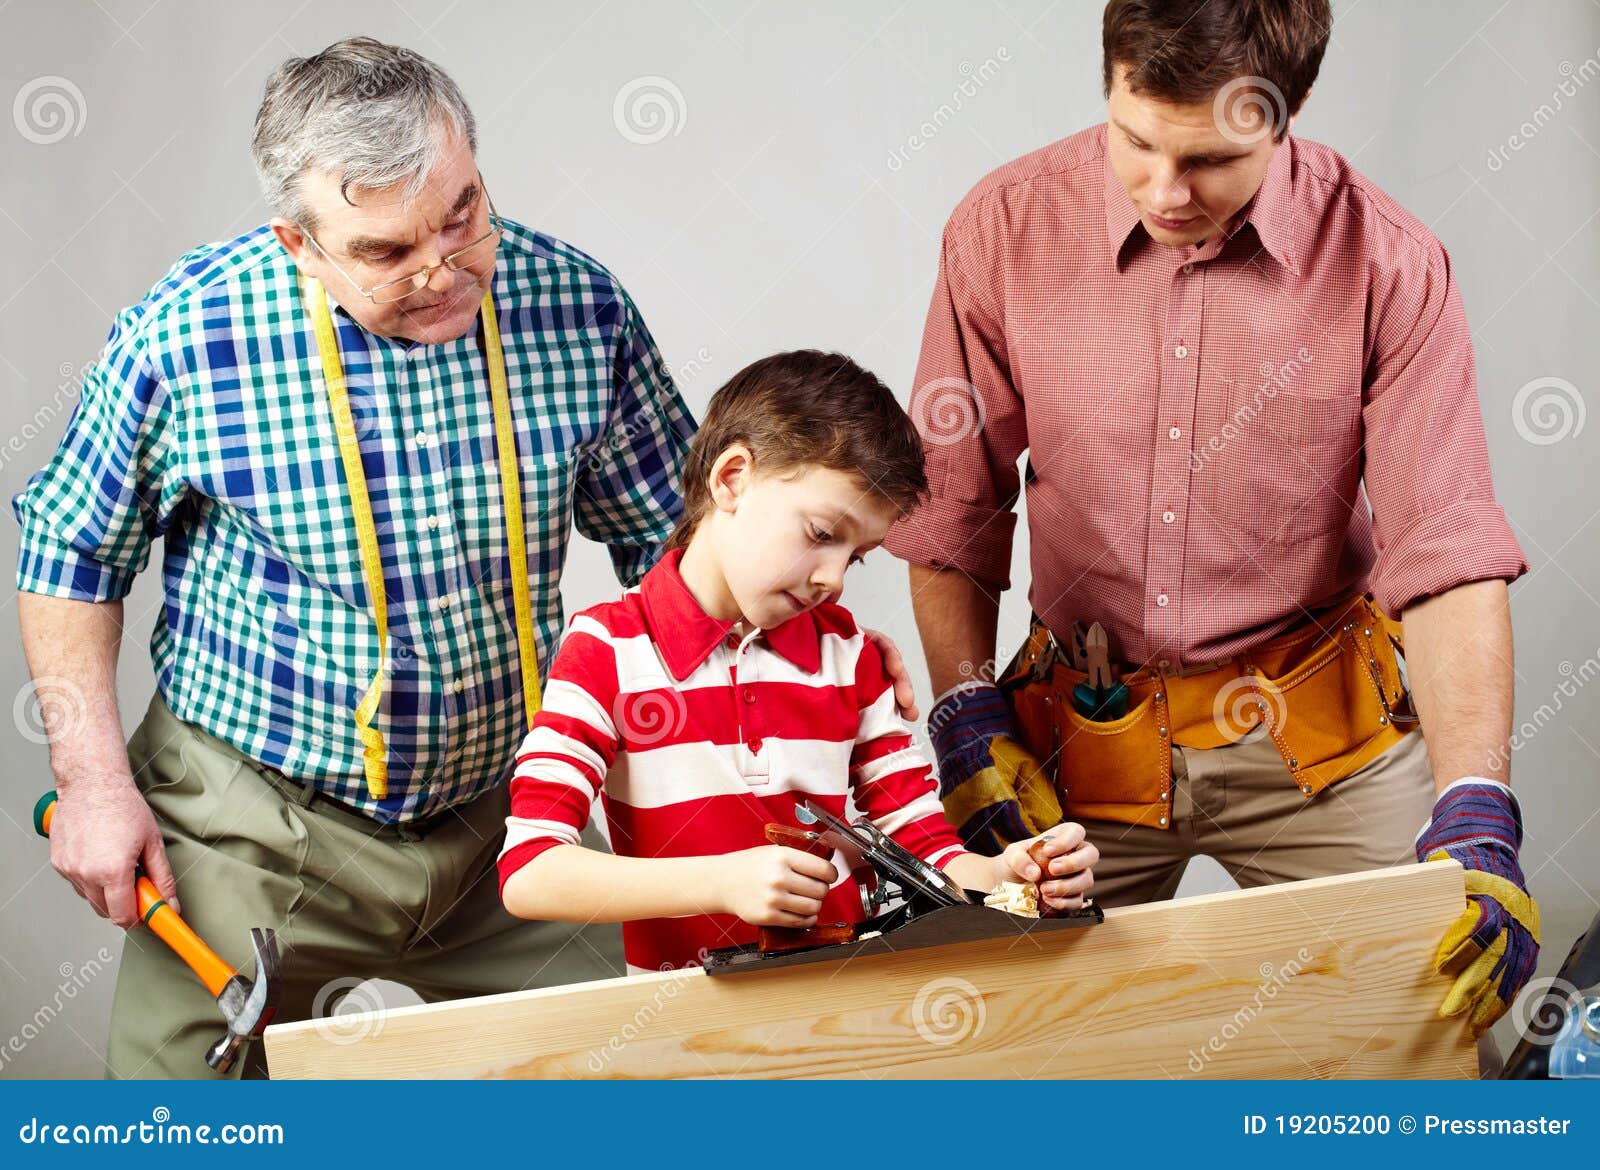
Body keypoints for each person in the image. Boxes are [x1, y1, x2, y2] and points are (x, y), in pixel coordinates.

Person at [12, 36, 700, 1078]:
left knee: (663, 1068)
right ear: (299, 241)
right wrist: (93, 782)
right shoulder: (187, 333)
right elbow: (72, 551)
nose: (444, 271)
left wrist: (757, 729)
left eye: (462, 215)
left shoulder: (578, 305)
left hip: (509, 816)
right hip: (249, 828)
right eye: (386, 252)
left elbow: (672, 550)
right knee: (166, 1135)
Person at [889, 0, 1537, 1047]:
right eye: (1135, 141)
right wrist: (966, 713)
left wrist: (1476, 803)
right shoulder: (1001, 230)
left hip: (1321, 743)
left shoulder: (1389, 262)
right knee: (1001, 1052)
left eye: (1210, 160)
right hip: (1075, 743)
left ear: (1290, 110)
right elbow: (953, 508)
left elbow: (1446, 550)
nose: (1163, 192)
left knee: (1435, 1040)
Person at [499, 351, 1098, 970]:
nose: (834, 579)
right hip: (680, 1020)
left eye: (855, 556)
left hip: (842, 1004)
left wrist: (1005, 877)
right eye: (821, 535)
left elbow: (927, 851)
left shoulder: (851, 658)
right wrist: (720, 882)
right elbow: (530, 872)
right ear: (732, 479)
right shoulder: (607, 650)